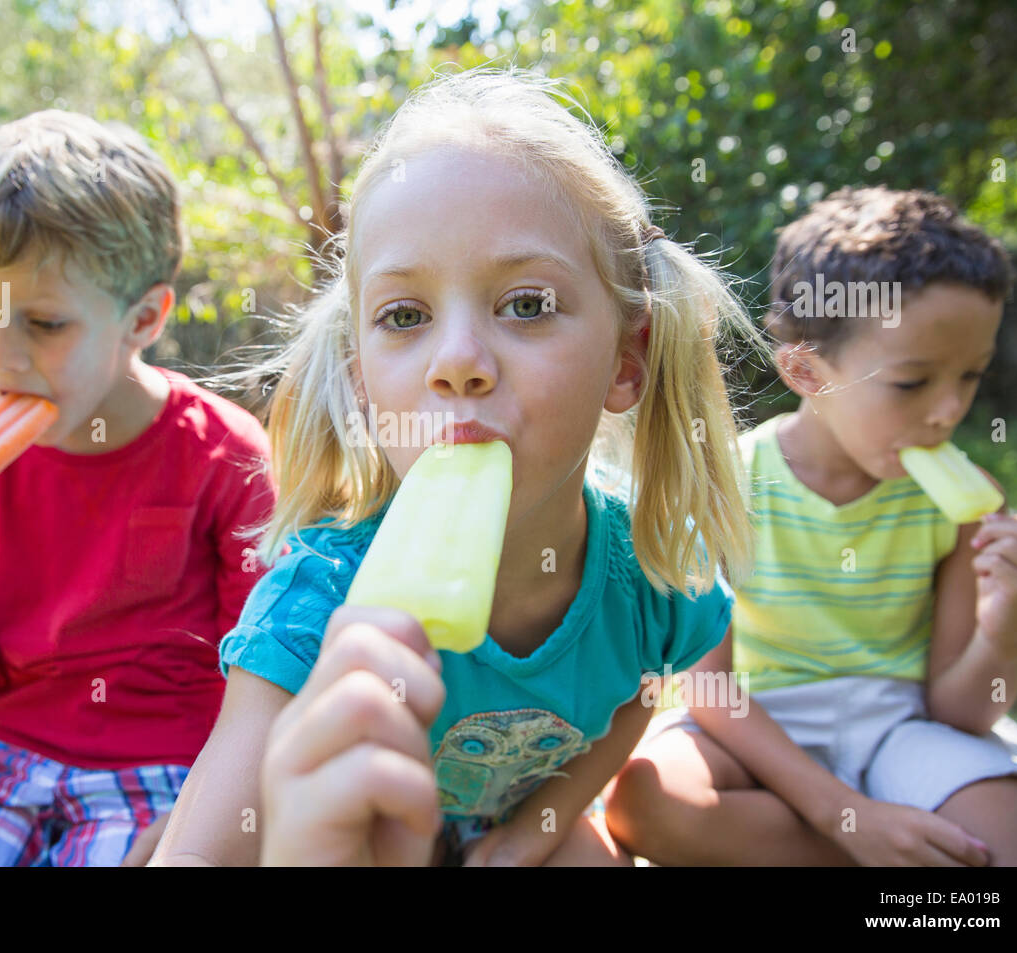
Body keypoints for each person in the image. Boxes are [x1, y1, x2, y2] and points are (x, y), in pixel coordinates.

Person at [149, 66, 758, 866]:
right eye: (405, 316)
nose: (458, 362)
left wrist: (536, 830)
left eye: (527, 305)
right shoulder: (319, 606)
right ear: (363, 382)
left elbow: (642, 695)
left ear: (627, 357)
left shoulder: (652, 573)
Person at [0, 110, 276, 866]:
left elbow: (263, 681)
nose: (0, 356)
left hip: (164, 766)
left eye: (44, 323)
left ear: (145, 318)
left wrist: (203, 822)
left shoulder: (225, 458)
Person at [605, 187, 1017, 866]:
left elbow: (960, 712)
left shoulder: (968, 509)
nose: (948, 411)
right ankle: (889, 849)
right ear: (808, 371)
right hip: (751, 726)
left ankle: (889, 846)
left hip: (901, 726)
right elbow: (710, 686)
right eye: (912, 383)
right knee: (648, 800)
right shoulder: (723, 483)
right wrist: (847, 816)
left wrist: (1008, 617)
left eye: (970, 377)